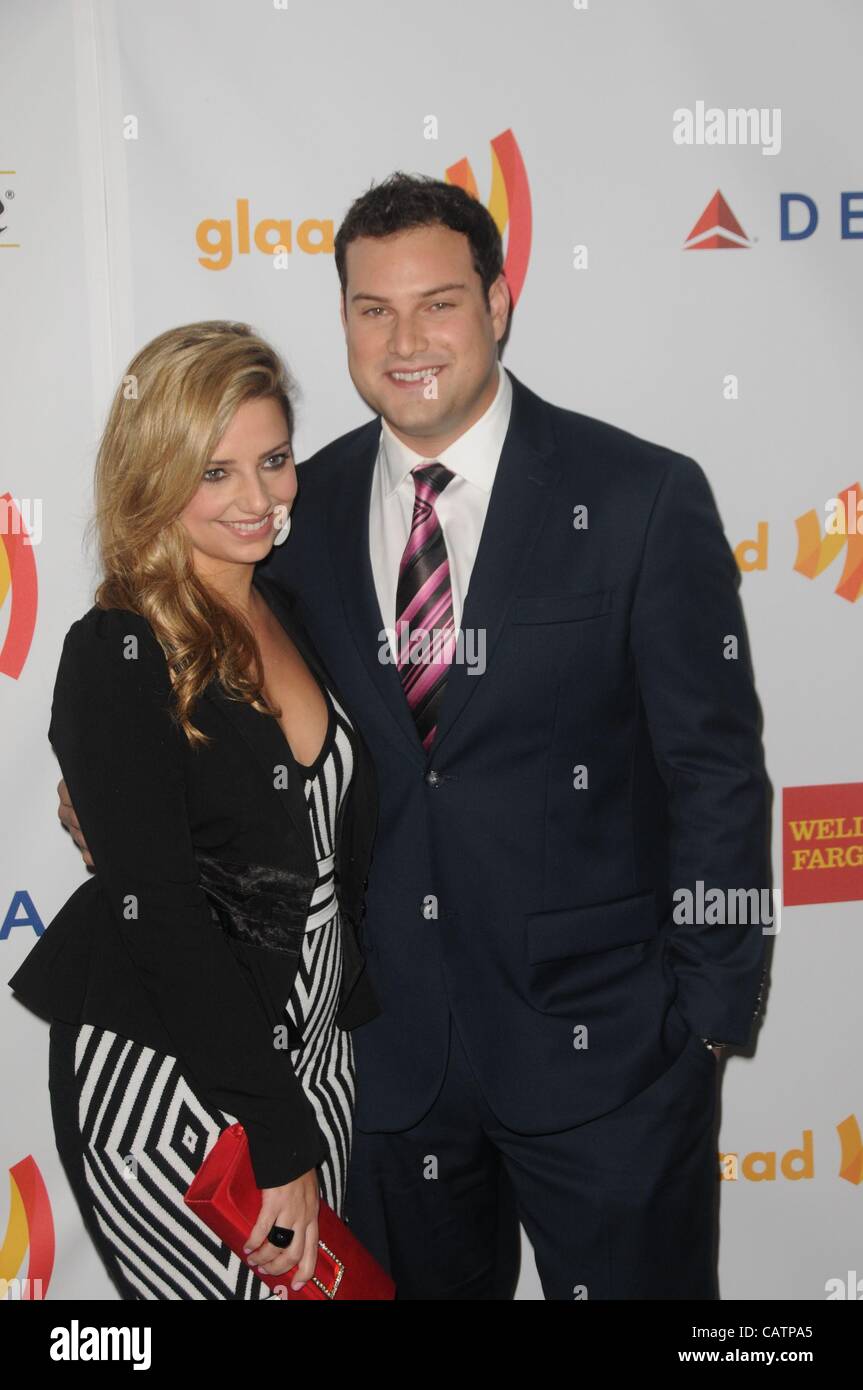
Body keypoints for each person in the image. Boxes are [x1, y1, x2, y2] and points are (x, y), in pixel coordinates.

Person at [57, 172, 771, 1300]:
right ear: (342, 318)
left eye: (437, 303)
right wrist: (105, 796)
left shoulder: (636, 497)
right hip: (380, 1072)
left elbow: (714, 773)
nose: (405, 341)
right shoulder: (292, 514)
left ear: (497, 303)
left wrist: (707, 1020)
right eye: (372, 309)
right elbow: (202, 712)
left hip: (609, 1058)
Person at [9, 322, 380, 1300]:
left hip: (311, 1062)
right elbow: (163, 916)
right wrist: (275, 1131)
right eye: (215, 473)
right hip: (177, 1082)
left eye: (273, 461)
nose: (258, 499)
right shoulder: (118, 649)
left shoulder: (282, 607)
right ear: (155, 476)